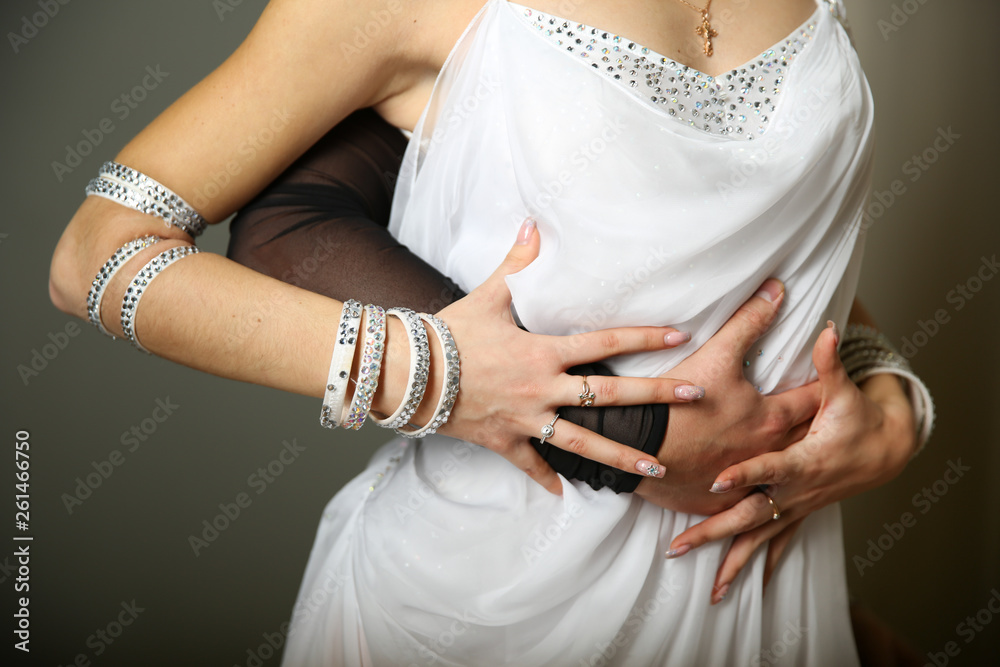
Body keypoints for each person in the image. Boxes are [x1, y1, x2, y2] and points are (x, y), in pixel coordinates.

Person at [48, 0, 933, 663]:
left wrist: (891, 409)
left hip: (768, 603)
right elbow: (96, 256)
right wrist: (457, 378)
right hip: (483, 605)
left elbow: (763, 259)